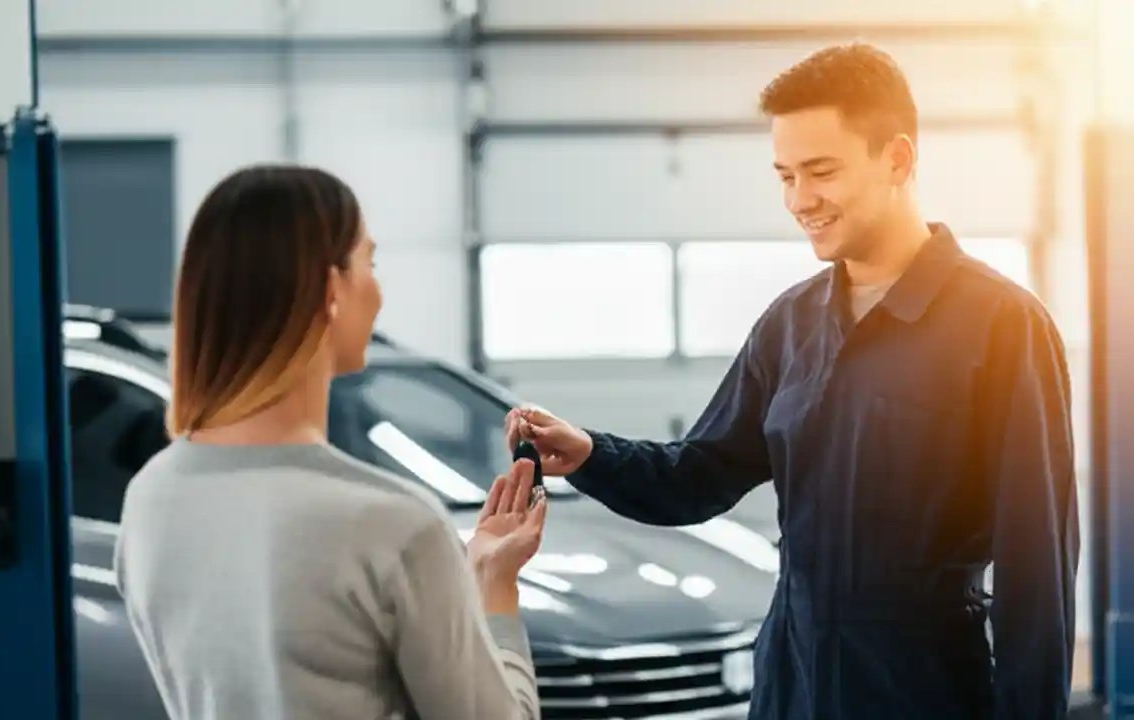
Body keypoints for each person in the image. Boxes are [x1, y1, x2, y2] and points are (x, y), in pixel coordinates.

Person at [506, 43, 1078, 720]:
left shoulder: (1001, 326)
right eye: (785, 176)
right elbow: (698, 475)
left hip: (924, 693)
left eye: (821, 172)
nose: (800, 200)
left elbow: (1036, 571)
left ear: (898, 159)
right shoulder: (791, 325)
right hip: (792, 686)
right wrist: (592, 455)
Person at [114, 165, 547, 720]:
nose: (379, 292)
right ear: (330, 289)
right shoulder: (390, 523)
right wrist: (494, 586)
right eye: (368, 262)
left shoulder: (151, 496)